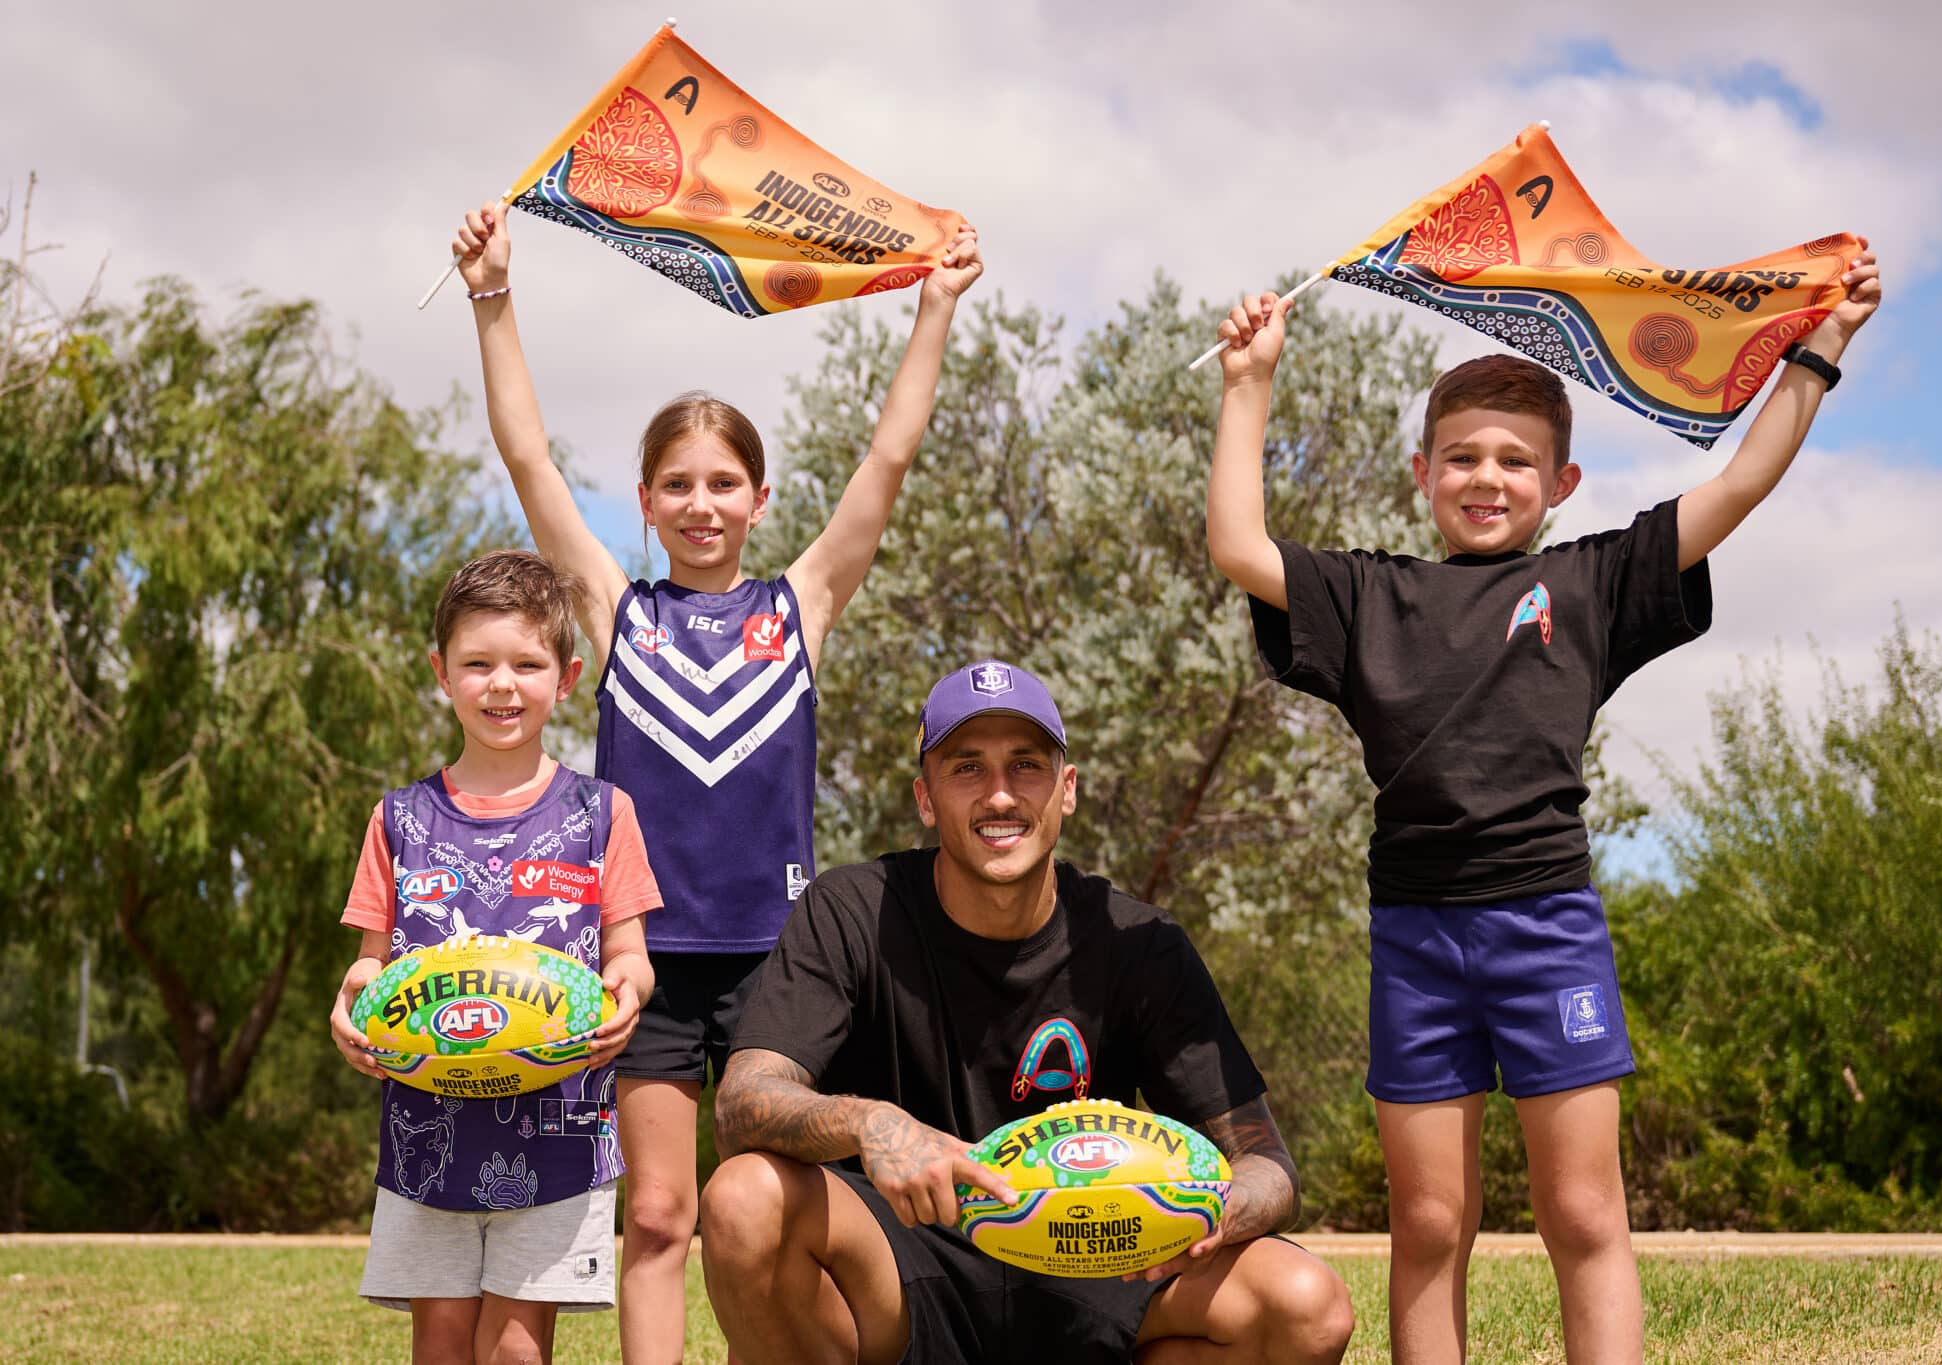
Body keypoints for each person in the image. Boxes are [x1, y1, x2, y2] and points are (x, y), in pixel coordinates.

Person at [1204, 248, 1882, 1361]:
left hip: (1545, 933)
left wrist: (1819, 349)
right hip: (1414, 942)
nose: (1487, 477)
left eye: (1515, 462)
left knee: (1581, 1216)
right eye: (1461, 457)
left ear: (1558, 485)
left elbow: (1741, 484)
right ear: (1420, 471)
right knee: (1426, 1222)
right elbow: (1238, 545)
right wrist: (1248, 382)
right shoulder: (1370, 595)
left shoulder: (1589, 582)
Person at [448, 202, 982, 1363]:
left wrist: (933, 307)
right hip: (641, 953)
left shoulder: (801, 607)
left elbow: (887, 459)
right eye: (676, 485)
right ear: (643, 503)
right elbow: (529, 456)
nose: (700, 504)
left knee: (765, 1206)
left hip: (775, 961)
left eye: (723, 483)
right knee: (656, 1214)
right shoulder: (611, 609)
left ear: (758, 500)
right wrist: (494, 295)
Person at [700, 659, 1355, 1364]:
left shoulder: (1139, 942)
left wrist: (1201, 1215)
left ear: (1066, 789)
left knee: (1305, 1305)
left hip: (1094, 1249)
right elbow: (742, 1102)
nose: (1001, 795)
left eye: (1027, 764)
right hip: (909, 1255)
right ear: (926, 797)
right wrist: (872, 1122)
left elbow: (1269, 1164)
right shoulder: (852, 909)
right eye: (967, 768)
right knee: (743, 1199)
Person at [328, 549, 659, 1364]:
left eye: (526, 663)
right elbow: (371, 965)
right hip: (425, 1126)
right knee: (440, 1340)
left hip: (559, 1129)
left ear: (568, 674)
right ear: (440, 672)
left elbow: (632, 956)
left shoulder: (602, 814)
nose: (502, 684)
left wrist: (627, 992)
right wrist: (350, 1006)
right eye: (477, 663)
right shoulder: (398, 817)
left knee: (516, 1347)